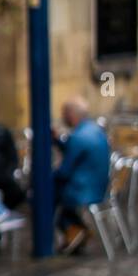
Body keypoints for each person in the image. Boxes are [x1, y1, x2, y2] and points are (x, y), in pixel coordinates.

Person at [53, 96, 112, 254]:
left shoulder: (78, 137)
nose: (62, 117)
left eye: (64, 113)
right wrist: (59, 141)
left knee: (48, 196)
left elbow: (65, 170)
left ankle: (78, 233)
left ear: (71, 115)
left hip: (82, 189)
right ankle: (78, 235)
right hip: (100, 186)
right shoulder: (95, 130)